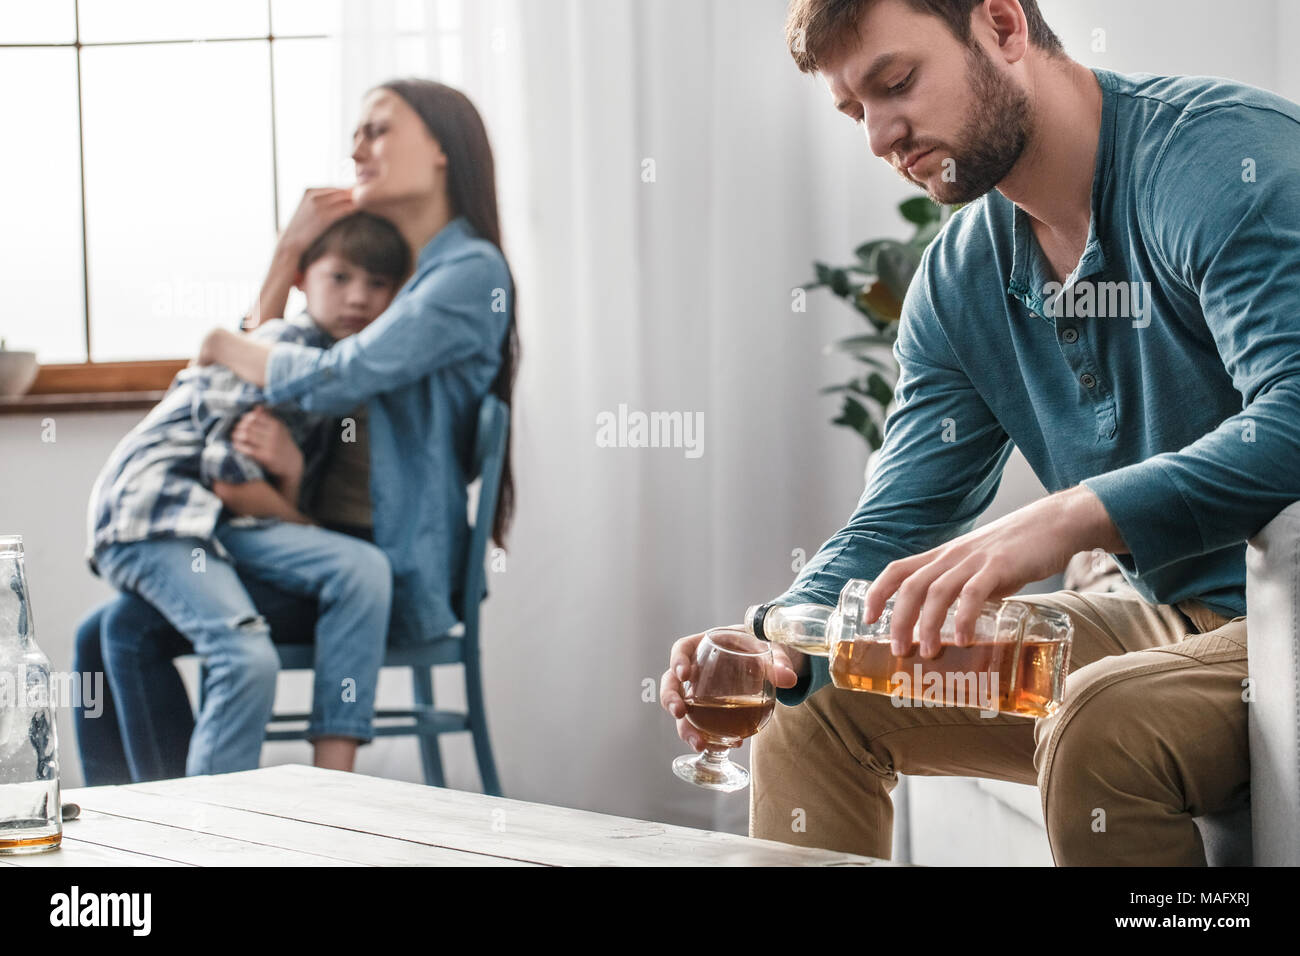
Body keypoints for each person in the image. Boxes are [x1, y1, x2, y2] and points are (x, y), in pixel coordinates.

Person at [662, 0, 1299, 865]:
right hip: (1171, 618)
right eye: (856, 111)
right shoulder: (961, 277)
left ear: (1002, 27)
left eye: (896, 83)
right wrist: (778, 633)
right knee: (815, 699)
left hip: (1285, 619)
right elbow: (897, 519)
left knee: (1102, 719)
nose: (883, 136)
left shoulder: (1220, 160)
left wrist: (1066, 517)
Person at [85, 211, 411, 777]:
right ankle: (212, 831)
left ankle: (308, 784)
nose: (358, 296)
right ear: (304, 281)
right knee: (243, 656)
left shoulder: (338, 368)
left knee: (359, 568)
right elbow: (230, 480)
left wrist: (289, 474)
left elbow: (250, 481)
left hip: (210, 522)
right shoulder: (283, 345)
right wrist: (302, 517)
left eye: (377, 284)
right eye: (341, 279)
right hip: (156, 514)